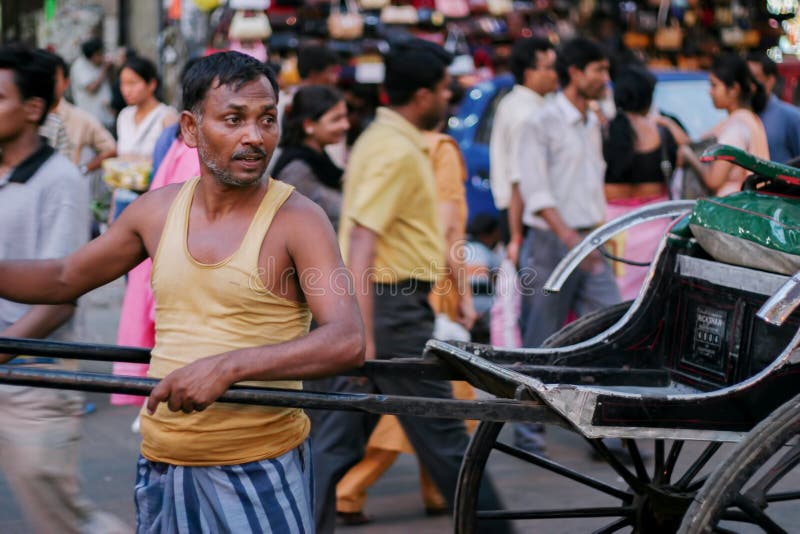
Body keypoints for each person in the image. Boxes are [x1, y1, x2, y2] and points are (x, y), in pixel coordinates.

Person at [0, 50, 365, 531]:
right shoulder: (156, 212)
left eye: (267, 119)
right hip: (162, 460)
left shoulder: (299, 220)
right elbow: (65, 277)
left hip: (258, 465)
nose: (254, 136)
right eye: (233, 119)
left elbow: (346, 339)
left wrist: (229, 366)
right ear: (191, 128)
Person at [310, 38, 506, 534]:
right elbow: (363, 241)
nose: (448, 98)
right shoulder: (395, 149)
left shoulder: (389, 140)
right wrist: (362, 333)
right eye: (443, 89)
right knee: (443, 436)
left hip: (386, 306)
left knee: (335, 441)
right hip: (389, 309)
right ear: (421, 96)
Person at [0, 44, 127, 534]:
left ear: (33, 108)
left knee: (61, 521)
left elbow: (59, 295)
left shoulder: (60, 181)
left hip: (36, 381)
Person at [333, 129, 477, 525]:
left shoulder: (376, 141)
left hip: (386, 283)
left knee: (423, 403)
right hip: (422, 284)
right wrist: (462, 290)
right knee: (426, 404)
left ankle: (437, 491)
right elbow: (448, 228)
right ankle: (350, 488)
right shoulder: (439, 150)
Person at [514, 37, 621, 449]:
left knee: (610, 330)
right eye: (598, 70)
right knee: (542, 339)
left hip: (590, 239)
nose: (604, 78)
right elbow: (536, 192)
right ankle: (527, 429)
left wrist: (590, 240)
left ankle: (607, 429)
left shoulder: (592, 119)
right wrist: (572, 240)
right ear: (575, 73)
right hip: (555, 241)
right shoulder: (541, 122)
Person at [603, 66, 688, 300]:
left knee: (607, 296)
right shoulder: (661, 132)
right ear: (647, 99)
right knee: (646, 297)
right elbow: (688, 150)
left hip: (610, 227)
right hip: (653, 223)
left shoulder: (603, 129)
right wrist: (668, 124)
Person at [489, 37, 558, 263]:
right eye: (549, 68)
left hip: (527, 214)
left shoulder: (524, 104)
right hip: (525, 216)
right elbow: (519, 179)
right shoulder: (525, 114)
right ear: (529, 73)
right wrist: (516, 236)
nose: (556, 74)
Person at [681, 53, 769, 197]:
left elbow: (714, 180)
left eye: (714, 85)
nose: (710, 92)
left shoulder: (736, 127)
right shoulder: (751, 119)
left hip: (732, 205)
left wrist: (689, 156)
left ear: (734, 89)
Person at [272, 85, 349, 229]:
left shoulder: (318, 159)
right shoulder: (297, 171)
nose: (345, 125)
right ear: (308, 125)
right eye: (336, 119)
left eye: (345, 117)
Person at [48, 52, 117, 174]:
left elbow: (111, 149)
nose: (44, 84)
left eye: (52, 80)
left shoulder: (80, 119)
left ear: (65, 83)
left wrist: (82, 170)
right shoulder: (22, 119)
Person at [116, 55, 178, 161]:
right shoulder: (124, 115)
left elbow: (172, 158)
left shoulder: (167, 116)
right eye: (123, 84)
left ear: (152, 84)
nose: (126, 90)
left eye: (132, 83)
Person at [747, 51, 800, 164]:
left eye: (754, 78)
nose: (749, 85)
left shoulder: (791, 116)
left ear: (770, 80)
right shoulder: (737, 114)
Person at [70, 38, 114, 130]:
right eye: (99, 54)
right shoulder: (79, 66)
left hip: (106, 116)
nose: (102, 57)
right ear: (92, 55)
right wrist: (105, 69)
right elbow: (92, 88)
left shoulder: (100, 64)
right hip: (91, 117)